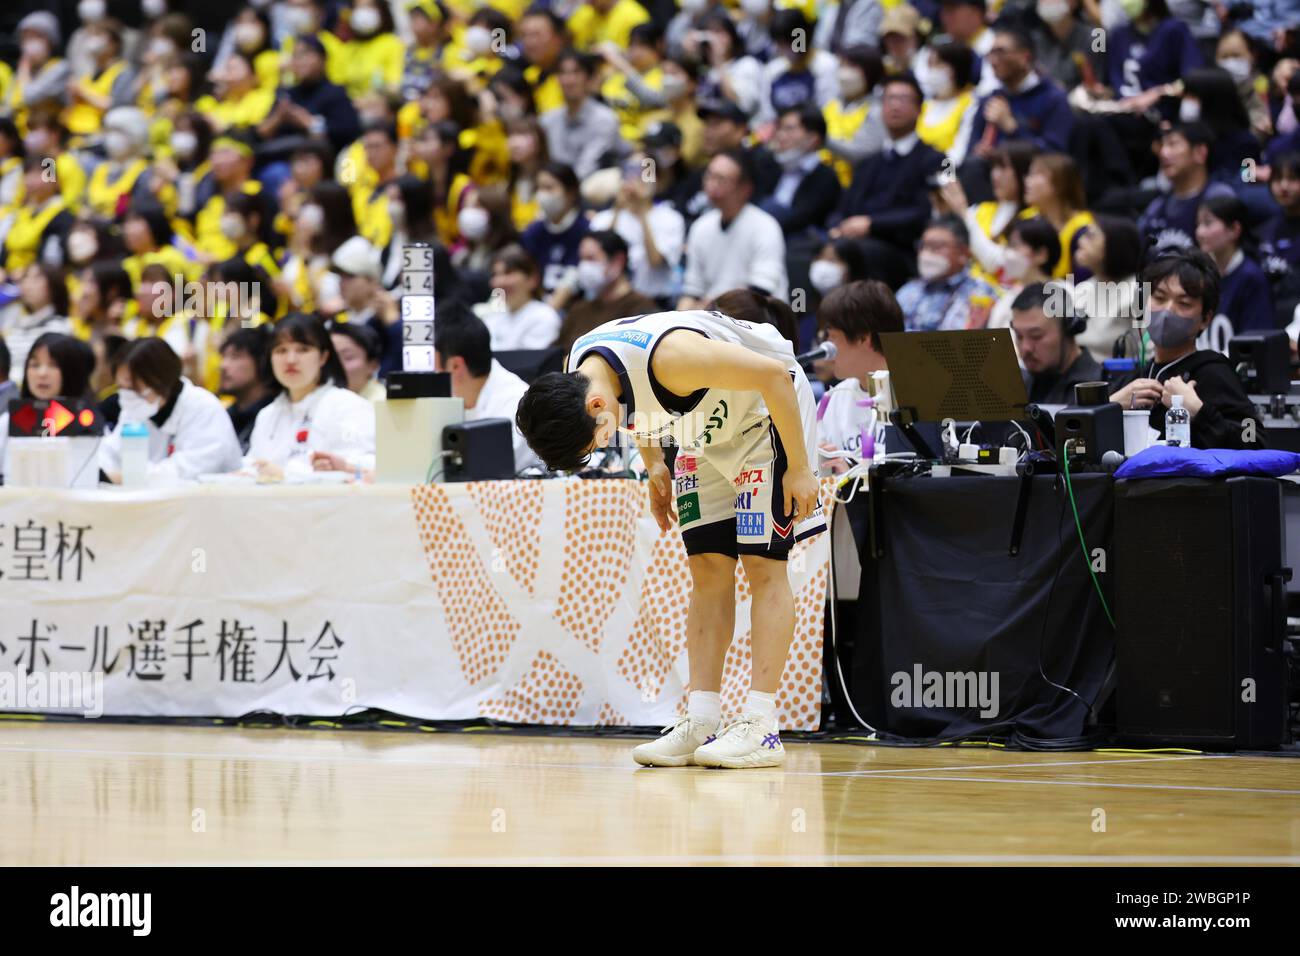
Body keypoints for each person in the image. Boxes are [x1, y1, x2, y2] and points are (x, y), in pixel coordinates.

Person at [515, 308, 826, 769]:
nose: (603, 445)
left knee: (762, 567)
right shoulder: (579, 373)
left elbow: (775, 376)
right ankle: (702, 718)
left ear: (595, 406)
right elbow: (636, 406)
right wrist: (655, 463)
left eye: (596, 440)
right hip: (701, 437)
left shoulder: (674, 358)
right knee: (707, 569)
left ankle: (762, 725)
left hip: (766, 420)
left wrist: (799, 468)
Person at [1108, 248, 1267, 449]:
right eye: (1159, 297)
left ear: (1205, 319)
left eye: (1183, 303)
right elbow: (1072, 435)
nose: (1167, 311)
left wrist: (1198, 410)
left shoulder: (1213, 372)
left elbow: (1253, 437)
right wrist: (1112, 405)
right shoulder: (1134, 380)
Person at [827, 73, 945, 290]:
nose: (895, 106)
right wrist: (837, 227)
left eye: (903, 99)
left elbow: (925, 212)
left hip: (901, 249)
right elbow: (844, 206)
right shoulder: (868, 162)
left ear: (920, 109)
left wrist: (872, 224)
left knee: (859, 252)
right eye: (889, 99)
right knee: (812, 249)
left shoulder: (935, 159)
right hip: (854, 244)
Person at [243, 313, 377, 480]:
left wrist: (286, 476)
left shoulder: (348, 406)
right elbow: (252, 467)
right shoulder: (267, 415)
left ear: (323, 357)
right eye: (281, 350)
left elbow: (365, 470)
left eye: (303, 349)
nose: (290, 359)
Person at [100, 337, 244, 482]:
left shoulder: (204, 409)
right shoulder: (135, 409)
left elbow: (186, 473)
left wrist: (126, 477)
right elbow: (112, 454)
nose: (127, 396)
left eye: (134, 388)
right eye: (121, 388)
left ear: (160, 380)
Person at [677, 148, 788, 307]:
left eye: (721, 179)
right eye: (709, 176)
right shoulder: (701, 226)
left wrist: (708, 307)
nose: (712, 185)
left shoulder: (765, 226)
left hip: (757, 319)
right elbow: (692, 289)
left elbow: (760, 289)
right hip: (709, 317)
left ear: (745, 188)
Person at [816, 280, 904, 471]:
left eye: (832, 337)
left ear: (865, 338)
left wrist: (852, 472)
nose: (825, 348)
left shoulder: (918, 393)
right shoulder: (835, 397)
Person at [434, 315, 539, 474]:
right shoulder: (446, 401)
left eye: (432, 362)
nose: (432, 371)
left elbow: (491, 472)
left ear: (455, 365)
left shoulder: (516, 404)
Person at [0, 332, 95, 480]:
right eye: (35, 365)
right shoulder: (9, 420)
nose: (42, 373)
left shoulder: (87, 420)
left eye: (53, 365)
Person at [968, 26, 1075, 156]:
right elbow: (971, 151)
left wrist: (1013, 128)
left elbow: (1055, 154)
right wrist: (981, 152)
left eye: (1001, 52)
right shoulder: (990, 100)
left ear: (1025, 57)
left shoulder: (1054, 98)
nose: (993, 61)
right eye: (991, 54)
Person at [1138, 123, 1235, 253]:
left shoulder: (1219, 197)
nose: (1163, 153)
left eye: (1173, 144)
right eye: (1163, 145)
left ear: (1200, 152)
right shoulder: (1157, 207)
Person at [554, 231, 657, 350]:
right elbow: (555, 354)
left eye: (591, 258)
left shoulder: (641, 308)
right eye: (581, 259)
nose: (584, 267)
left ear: (618, 261)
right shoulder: (578, 310)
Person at [1009, 282, 1103, 406]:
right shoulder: (1017, 387)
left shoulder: (1102, 390)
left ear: (1068, 330)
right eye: (1019, 336)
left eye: (1036, 336)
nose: (1026, 348)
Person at [896, 218, 998, 331]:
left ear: (963, 253)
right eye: (923, 246)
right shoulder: (909, 290)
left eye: (937, 246)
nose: (927, 253)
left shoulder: (980, 293)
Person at [1195, 194, 1275, 336]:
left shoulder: (1252, 278)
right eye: (1198, 224)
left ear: (1234, 230)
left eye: (1207, 223)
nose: (1199, 232)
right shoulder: (1197, 272)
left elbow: (1256, 338)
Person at [1071, 215, 1145, 362]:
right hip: (1079, 378)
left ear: (1116, 244)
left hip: (1124, 379)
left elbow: (1149, 354)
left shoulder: (1137, 292)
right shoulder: (1082, 288)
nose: (1080, 241)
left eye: (1090, 236)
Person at [538, 49, 621, 180]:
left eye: (576, 73)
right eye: (562, 73)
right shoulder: (548, 120)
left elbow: (588, 166)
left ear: (589, 78)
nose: (568, 80)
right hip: (554, 187)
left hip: (591, 188)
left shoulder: (605, 119)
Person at [476, 244, 562, 351]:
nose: (499, 282)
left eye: (508, 273)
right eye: (495, 275)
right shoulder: (492, 316)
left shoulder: (544, 317)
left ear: (532, 279)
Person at [0, 264, 73, 387]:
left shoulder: (61, 327)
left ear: (54, 285)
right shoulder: (15, 321)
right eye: (26, 277)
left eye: (36, 278)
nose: (27, 283)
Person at [217, 325, 275, 453]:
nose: (223, 365)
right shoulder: (224, 415)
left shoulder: (276, 415)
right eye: (223, 357)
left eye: (235, 357)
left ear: (263, 362)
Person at [330, 321, 386, 402]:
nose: (336, 365)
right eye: (332, 357)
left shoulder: (382, 403)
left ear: (373, 365)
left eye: (348, 357)